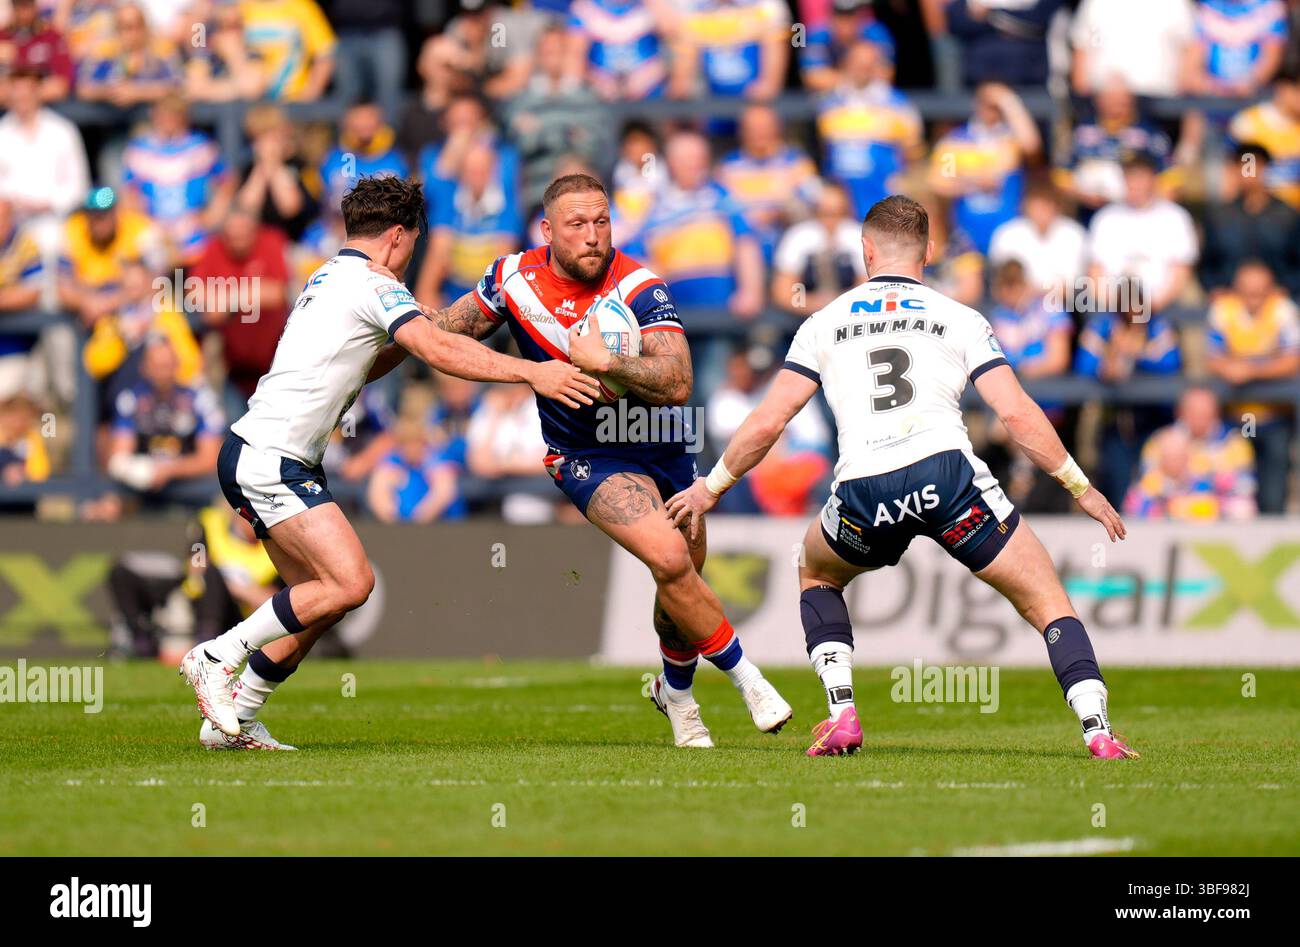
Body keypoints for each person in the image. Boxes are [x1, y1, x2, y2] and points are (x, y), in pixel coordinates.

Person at [667, 195, 1138, 761]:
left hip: (866, 490)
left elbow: (769, 421)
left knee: (816, 573)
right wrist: (1080, 487)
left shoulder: (824, 322)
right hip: (948, 479)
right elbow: (1015, 414)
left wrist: (709, 487)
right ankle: (1098, 731)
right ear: (930, 251)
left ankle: (842, 713)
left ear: (865, 251)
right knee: (1048, 602)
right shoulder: (960, 316)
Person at [181, 174, 599, 747]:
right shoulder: (375, 285)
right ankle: (216, 655)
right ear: (400, 237)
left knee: (317, 602)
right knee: (351, 584)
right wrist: (533, 371)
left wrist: (408, 331)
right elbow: (441, 351)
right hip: (271, 458)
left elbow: (366, 364)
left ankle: (238, 719)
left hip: (267, 454)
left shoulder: (329, 276)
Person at [411, 172, 793, 749]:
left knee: (682, 575)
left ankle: (675, 694)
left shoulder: (639, 285)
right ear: (548, 230)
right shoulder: (512, 278)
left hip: (663, 441)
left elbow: (679, 381)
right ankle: (747, 681)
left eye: (602, 222)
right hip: (586, 452)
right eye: (577, 224)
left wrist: (606, 361)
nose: (593, 235)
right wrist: (379, 332)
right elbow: (439, 335)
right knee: (668, 556)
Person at [1204, 259, 1300, 513]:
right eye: (1246, 292)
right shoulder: (1223, 310)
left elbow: (1292, 361)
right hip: (1234, 419)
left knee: (1272, 496)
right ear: (1236, 290)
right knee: (1234, 496)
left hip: (1274, 418)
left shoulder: (1283, 311)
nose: (1253, 299)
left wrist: (1249, 370)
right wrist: (1231, 368)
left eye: (1260, 293)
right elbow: (1213, 358)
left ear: (1271, 290)